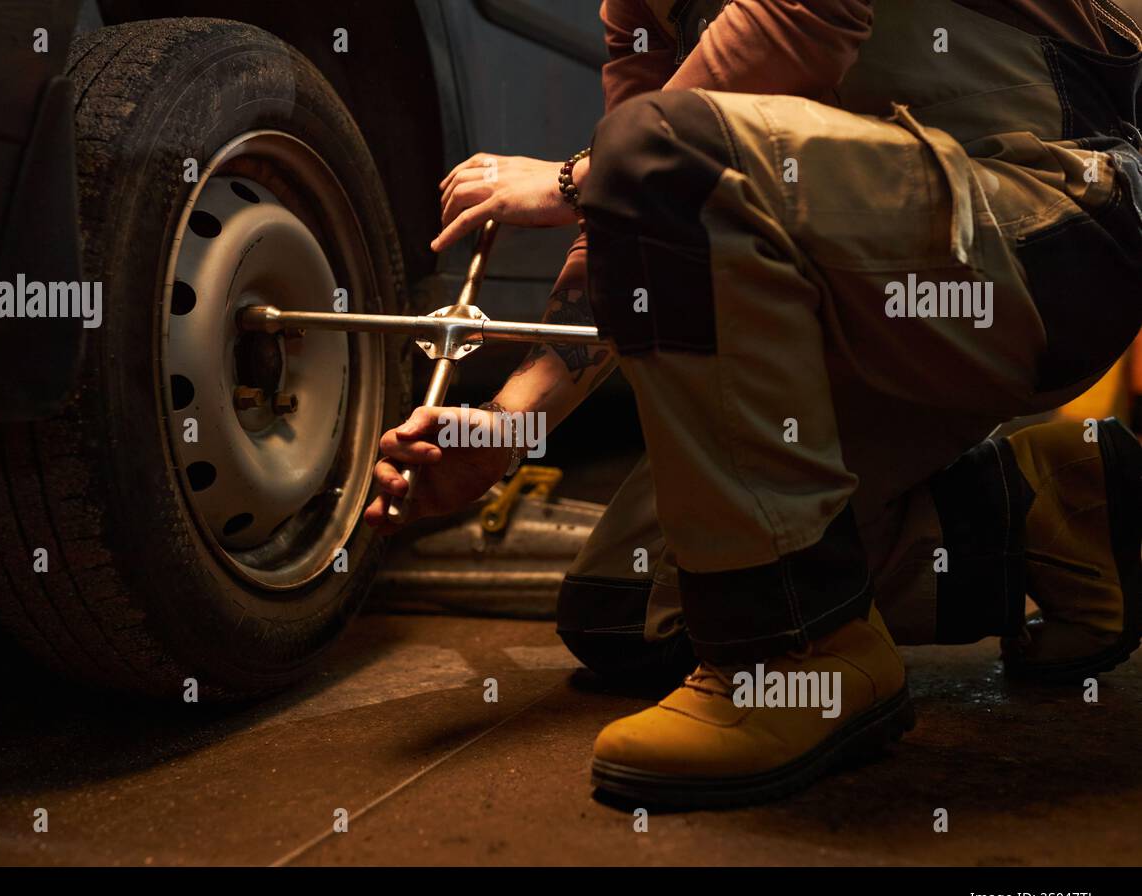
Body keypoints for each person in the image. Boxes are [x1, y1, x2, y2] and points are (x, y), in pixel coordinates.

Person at [365, 0, 1142, 807]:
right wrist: (506, 425)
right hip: (869, 290)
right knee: (636, 611)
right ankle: (1050, 515)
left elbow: (807, 18)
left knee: (656, 151)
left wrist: (574, 176)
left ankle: (799, 654)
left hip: (1051, 232)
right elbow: (624, 225)